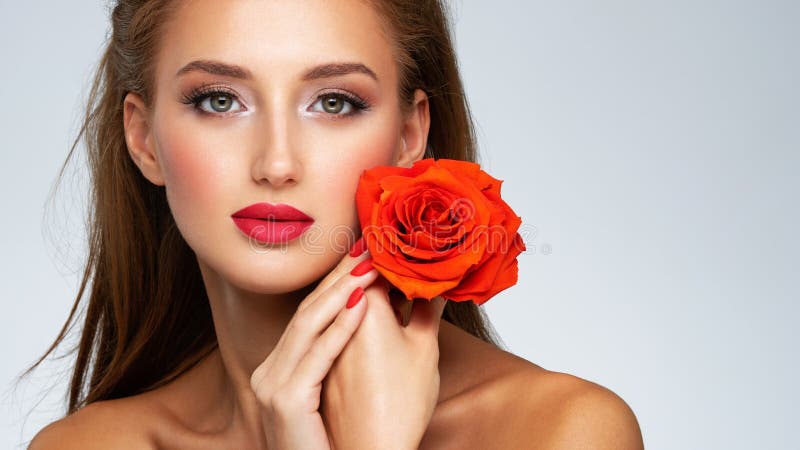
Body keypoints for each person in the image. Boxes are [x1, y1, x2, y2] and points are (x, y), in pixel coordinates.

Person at [25, 0, 644, 448]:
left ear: (409, 136)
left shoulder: (559, 432)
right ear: (144, 139)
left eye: (333, 102)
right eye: (219, 100)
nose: (276, 164)